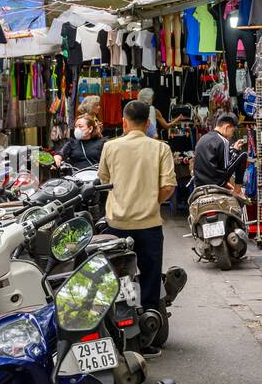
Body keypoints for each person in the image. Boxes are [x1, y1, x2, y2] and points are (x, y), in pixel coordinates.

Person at [97, 99, 176, 355]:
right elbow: (168, 187)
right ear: (149, 123)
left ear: (124, 121)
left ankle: (120, 331)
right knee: (151, 279)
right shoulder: (160, 148)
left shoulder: (110, 147)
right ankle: (149, 337)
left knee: (120, 278)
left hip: (116, 224)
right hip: (149, 224)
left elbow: (104, 181)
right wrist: (150, 202)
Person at [191, 112, 246, 196]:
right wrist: (235, 151)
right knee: (243, 155)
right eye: (233, 131)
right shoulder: (223, 141)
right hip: (216, 183)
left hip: (199, 185)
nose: (232, 135)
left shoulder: (203, 138)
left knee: (233, 151)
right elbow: (225, 169)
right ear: (227, 127)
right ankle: (238, 191)